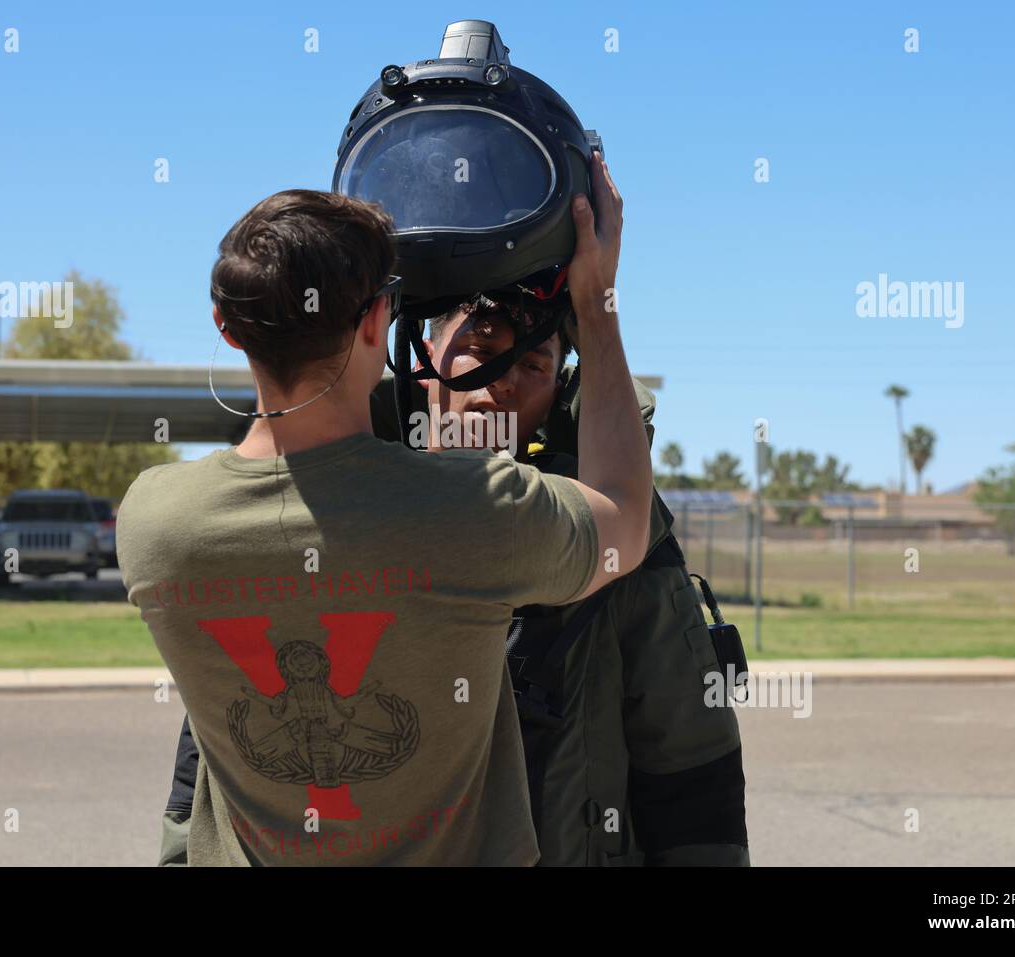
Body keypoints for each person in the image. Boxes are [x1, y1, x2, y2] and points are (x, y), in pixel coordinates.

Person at [118, 156, 653, 865]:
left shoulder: (151, 523)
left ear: (227, 327)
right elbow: (624, 520)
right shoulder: (474, 507)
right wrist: (595, 304)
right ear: (378, 319)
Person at [158, 291, 750, 867]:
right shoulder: (327, 510)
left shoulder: (615, 536)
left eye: (534, 364)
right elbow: (220, 742)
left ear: (556, 396)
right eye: (479, 348)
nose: (504, 380)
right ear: (423, 368)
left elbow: (690, 764)